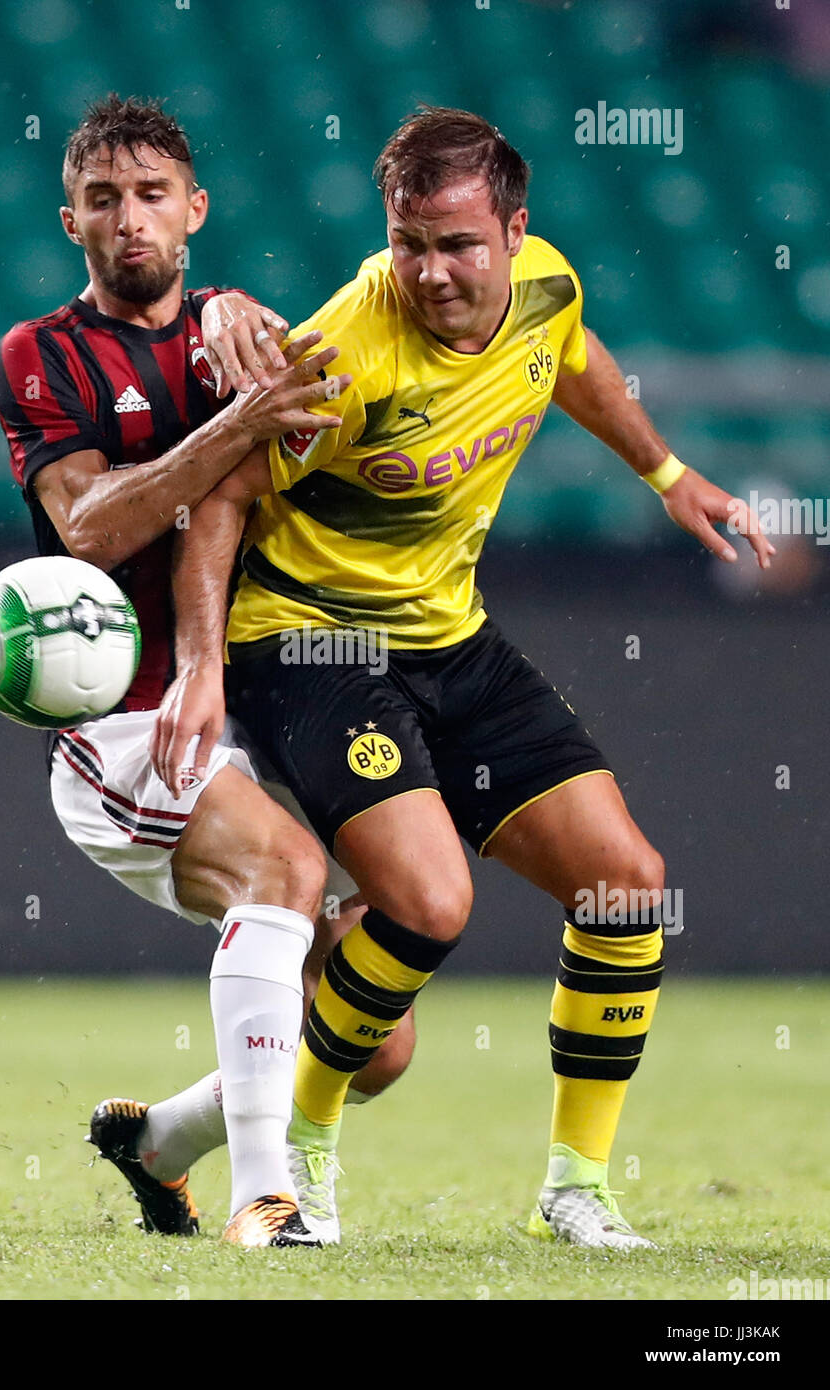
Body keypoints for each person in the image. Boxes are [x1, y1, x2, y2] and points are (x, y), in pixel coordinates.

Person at [154, 107, 775, 1249]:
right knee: (431, 902)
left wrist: (667, 473)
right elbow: (221, 494)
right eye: (407, 243)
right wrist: (200, 665)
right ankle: (307, 1144)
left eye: (457, 244)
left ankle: (572, 1188)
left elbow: (571, 356)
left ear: (512, 233)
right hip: (308, 641)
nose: (431, 272)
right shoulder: (343, 352)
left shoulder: (543, 284)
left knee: (624, 885)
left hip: (449, 634)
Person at [0, 93, 367, 1248]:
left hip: (253, 700)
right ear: (72, 223)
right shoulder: (38, 355)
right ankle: (270, 1200)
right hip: (126, 719)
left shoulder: (242, 328)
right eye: (103, 200)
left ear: (194, 210)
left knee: (370, 1023)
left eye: (152, 195)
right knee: (285, 868)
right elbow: (96, 527)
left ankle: (161, 1143)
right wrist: (236, 421)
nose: (129, 219)